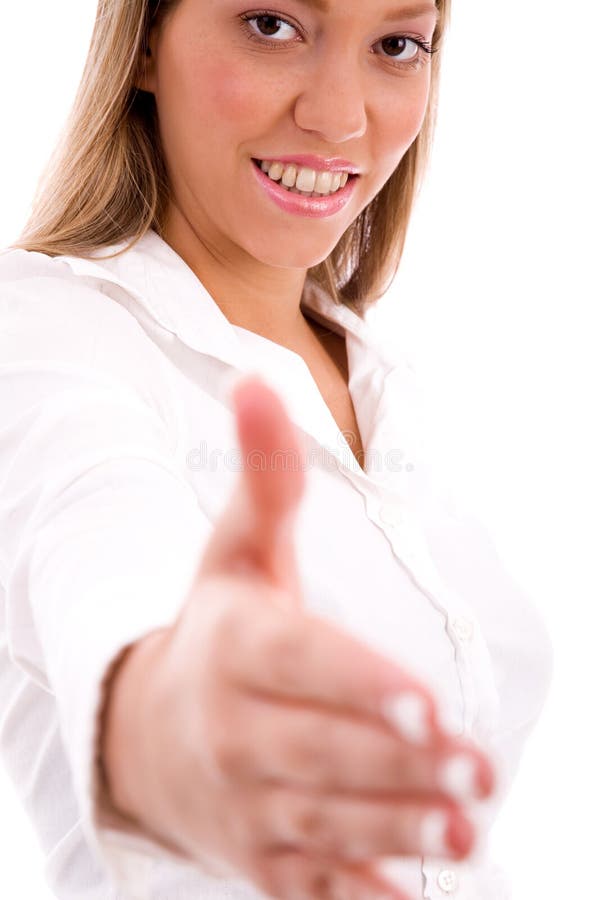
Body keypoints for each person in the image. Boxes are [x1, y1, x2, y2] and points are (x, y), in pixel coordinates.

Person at [0, 0, 554, 898]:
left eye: (397, 44)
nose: (340, 117)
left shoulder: (383, 377)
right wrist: (161, 715)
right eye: (271, 24)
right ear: (144, 40)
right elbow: (95, 536)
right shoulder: (44, 335)